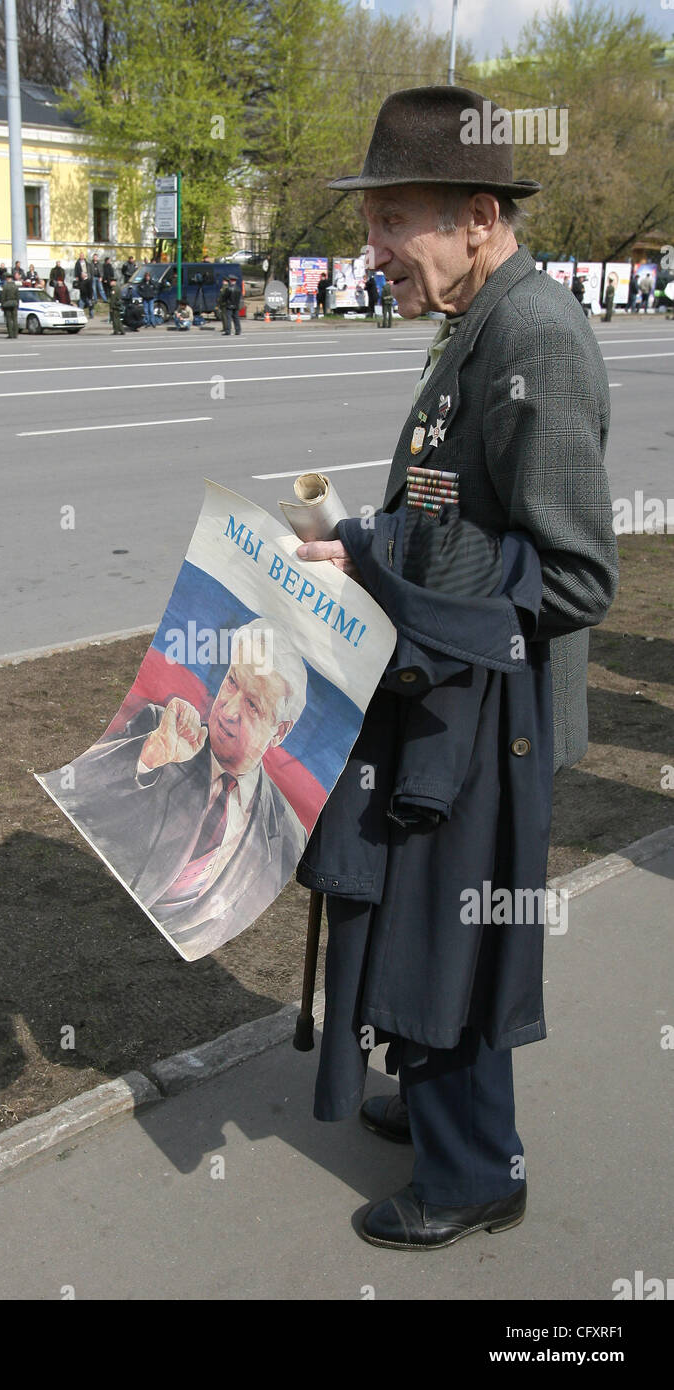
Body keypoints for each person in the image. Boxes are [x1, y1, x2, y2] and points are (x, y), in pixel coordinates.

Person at [295, 84, 617, 1251]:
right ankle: (448, 1114)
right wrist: (361, 546)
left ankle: (475, 1170)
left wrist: (384, 554)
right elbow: (461, 510)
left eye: (393, 221)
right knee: (440, 925)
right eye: (370, 222)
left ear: (477, 215)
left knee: (457, 935)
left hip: (494, 713)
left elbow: (576, 574)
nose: (369, 247)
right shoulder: (480, 317)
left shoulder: (532, 336)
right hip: (452, 699)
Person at [56, 620, 308, 960]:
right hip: (108, 937)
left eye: (252, 706)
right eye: (231, 682)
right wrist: (147, 757)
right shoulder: (159, 730)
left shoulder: (288, 834)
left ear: (280, 732)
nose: (229, 710)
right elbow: (74, 793)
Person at [1, 273, 20, 339]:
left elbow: (3, 297)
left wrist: (2, 305)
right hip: (14, 303)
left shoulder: (5, 286)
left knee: (9, 319)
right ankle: (15, 334)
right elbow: (17, 297)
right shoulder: (15, 286)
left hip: (7, 304)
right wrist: (18, 305)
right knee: (15, 319)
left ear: (7, 279)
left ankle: (10, 334)